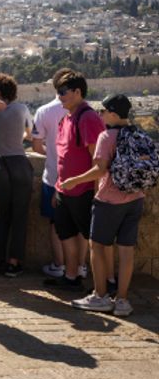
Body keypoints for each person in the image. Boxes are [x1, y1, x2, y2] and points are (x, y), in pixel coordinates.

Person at [63, 94, 143, 317]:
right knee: (127, 250)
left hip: (109, 199)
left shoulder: (107, 136)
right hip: (135, 198)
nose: (100, 115)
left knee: (97, 246)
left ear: (114, 115)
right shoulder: (139, 134)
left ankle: (100, 296)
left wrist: (73, 181)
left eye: (104, 111)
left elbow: (99, 170)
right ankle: (123, 300)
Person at [43, 71, 106, 292]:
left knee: (92, 239)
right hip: (64, 191)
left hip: (84, 191)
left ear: (78, 92)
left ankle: (103, 285)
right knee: (66, 234)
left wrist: (96, 193)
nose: (59, 97)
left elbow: (98, 160)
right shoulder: (67, 118)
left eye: (63, 92)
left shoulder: (88, 118)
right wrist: (58, 188)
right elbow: (64, 157)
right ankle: (72, 276)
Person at [0, 73, 33, 277]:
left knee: (3, 216)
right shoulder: (21, 109)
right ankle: (14, 262)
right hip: (20, 163)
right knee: (20, 216)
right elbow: (30, 134)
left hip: (0, 165)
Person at [31, 68, 79, 279]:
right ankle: (79, 266)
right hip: (79, 178)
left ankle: (59, 265)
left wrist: (51, 153)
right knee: (79, 225)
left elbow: (35, 145)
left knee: (55, 224)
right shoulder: (84, 111)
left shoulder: (43, 111)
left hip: (53, 176)